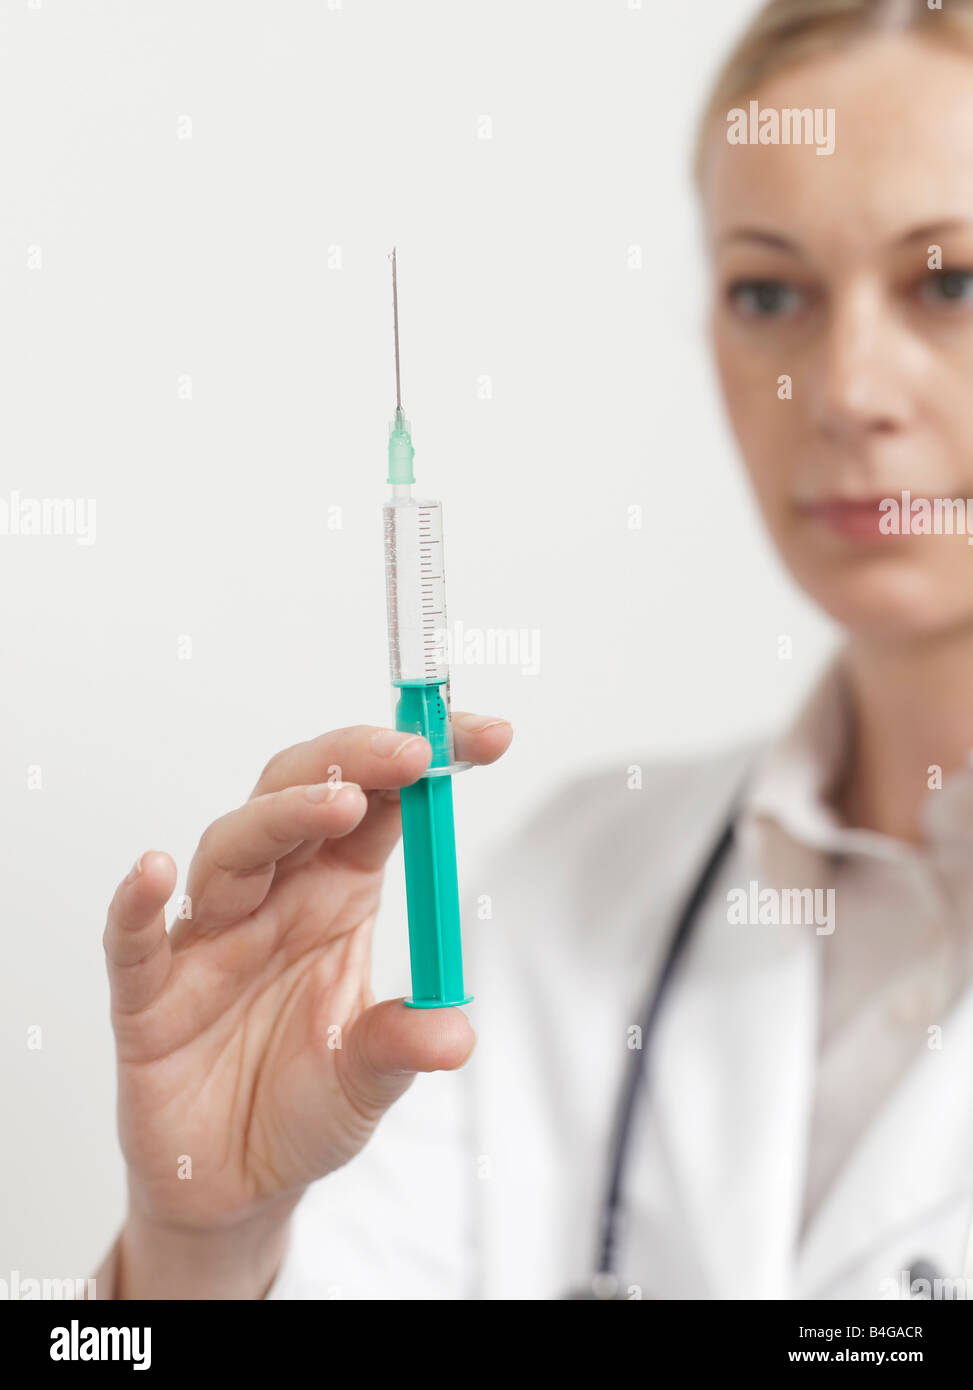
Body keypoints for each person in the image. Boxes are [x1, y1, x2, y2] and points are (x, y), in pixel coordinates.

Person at [94, 0, 973, 1299]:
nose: (841, 388)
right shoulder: (572, 895)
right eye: (768, 291)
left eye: (946, 278)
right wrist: (203, 1245)